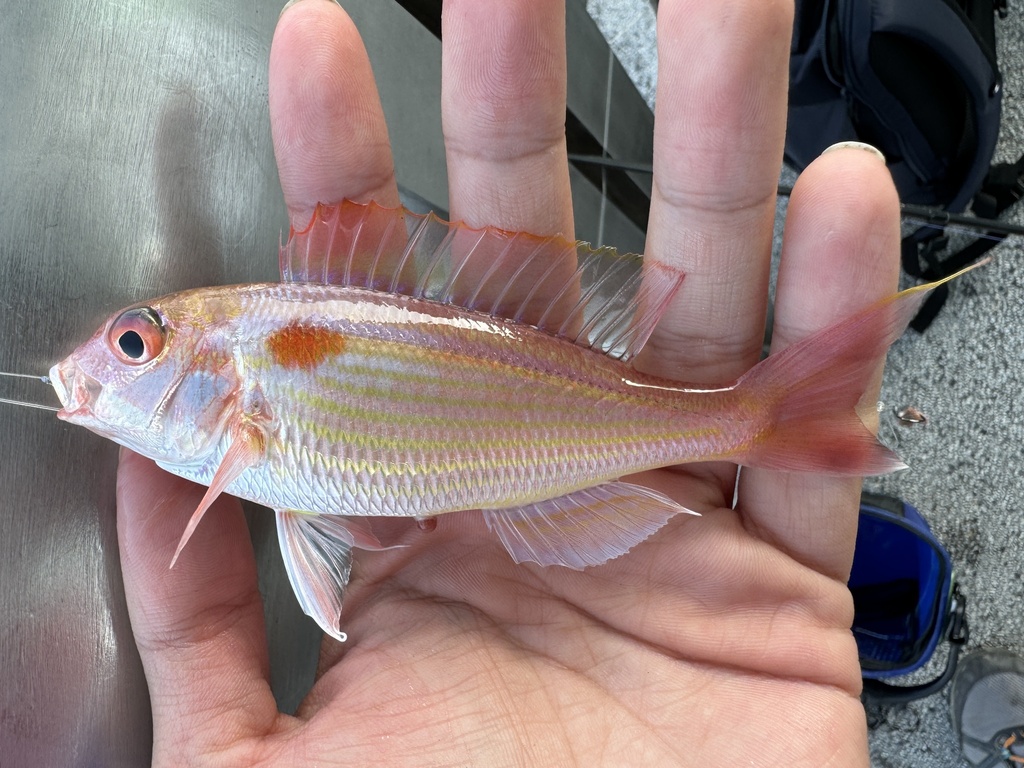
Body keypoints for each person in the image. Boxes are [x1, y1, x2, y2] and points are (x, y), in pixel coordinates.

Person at [115, 0, 899, 764]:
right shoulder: (246, 419)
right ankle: (779, 420)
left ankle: (769, 419)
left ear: (219, 365)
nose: (107, 369)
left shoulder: (249, 412)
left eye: (133, 345)